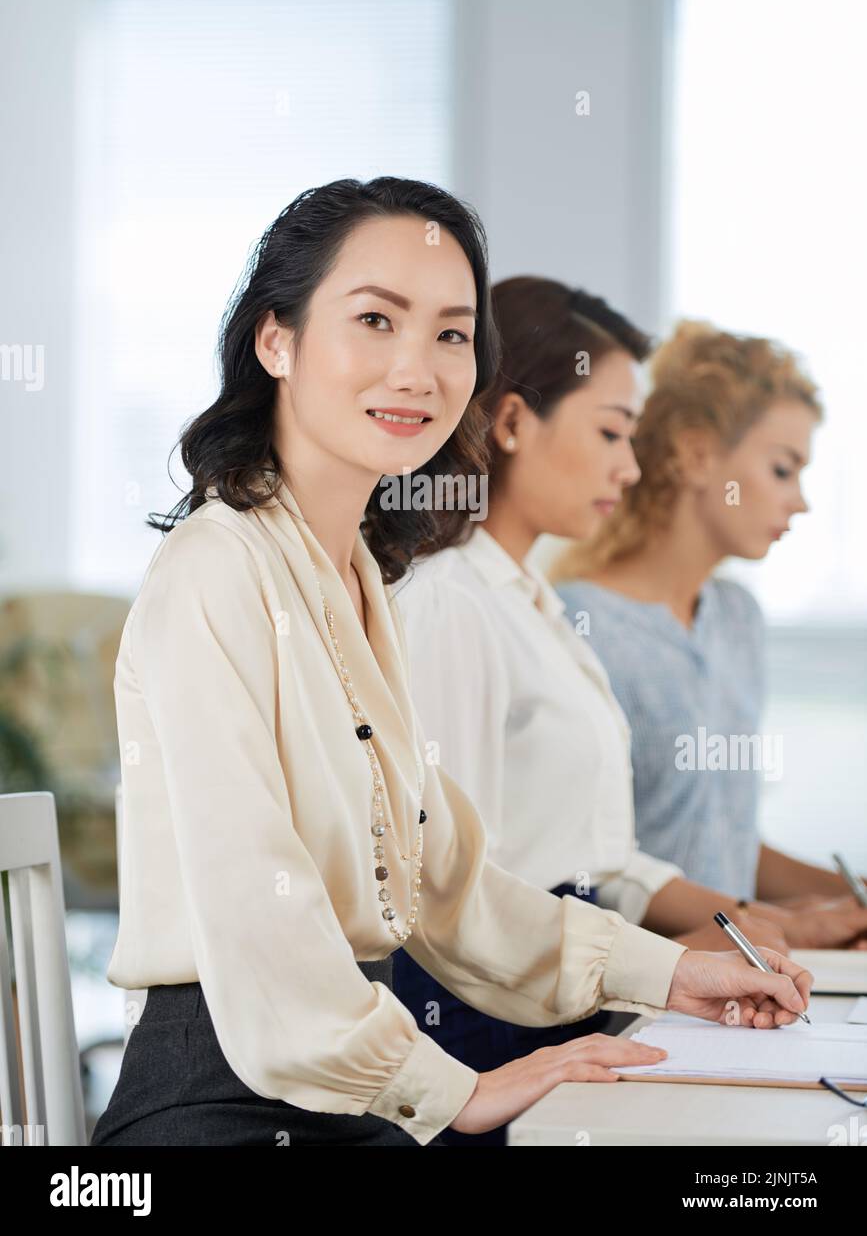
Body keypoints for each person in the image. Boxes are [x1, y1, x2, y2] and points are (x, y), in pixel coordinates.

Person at [90, 181, 814, 1149]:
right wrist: (454, 1091)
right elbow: (258, 900)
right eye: (375, 319)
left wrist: (673, 975)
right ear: (277, 341)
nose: (417, 368)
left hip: (344, 1083)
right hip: (229, 1100)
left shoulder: (351, 577)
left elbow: (444, 878)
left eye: (450, 334)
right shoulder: (218, 566)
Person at [389, 278, 865, 1146]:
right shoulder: (450, 602)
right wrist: (678, 960)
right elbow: (446, 891)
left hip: (565, 1002)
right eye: (610, 432)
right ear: (511, 423)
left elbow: (591, 858)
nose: (629, 466)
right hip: (489, 1037)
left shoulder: (527, 601)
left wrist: (739, 937)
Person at [550, 320, 867, 939]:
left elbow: (724, 837)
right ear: (697, 457)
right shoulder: (577, 624)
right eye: (783, 470)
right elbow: (588, 868)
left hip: (750, 973)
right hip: (643, 989)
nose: (799, 501)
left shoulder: (737, 617)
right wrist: (778, 925)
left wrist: (845, 901)